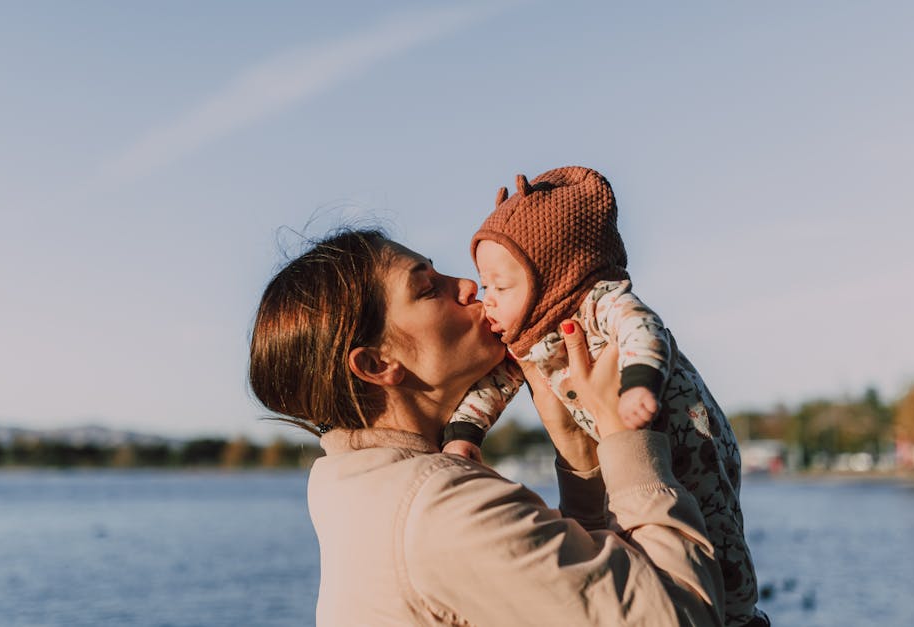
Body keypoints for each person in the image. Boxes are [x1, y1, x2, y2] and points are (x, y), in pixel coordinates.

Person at [248, 227, 727, 625]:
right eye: (428, 287)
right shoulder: (440, 508)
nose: (469, 287)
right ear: (376, 363)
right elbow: (683, 616)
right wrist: (625, 435)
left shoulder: (352, 488)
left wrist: (579, 460)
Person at [440, 167, 767, 627]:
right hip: (632, 454)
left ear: (553, 275)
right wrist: (464, 433)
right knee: (639, 528)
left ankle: (739, 614)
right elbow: (492, 389)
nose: (486, 298)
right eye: (486, 284)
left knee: (716, 523)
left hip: (692, 437)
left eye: (501, 286)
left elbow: (644, 330)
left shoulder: (596, 302)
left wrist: (638, 384)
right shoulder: (529, 335)